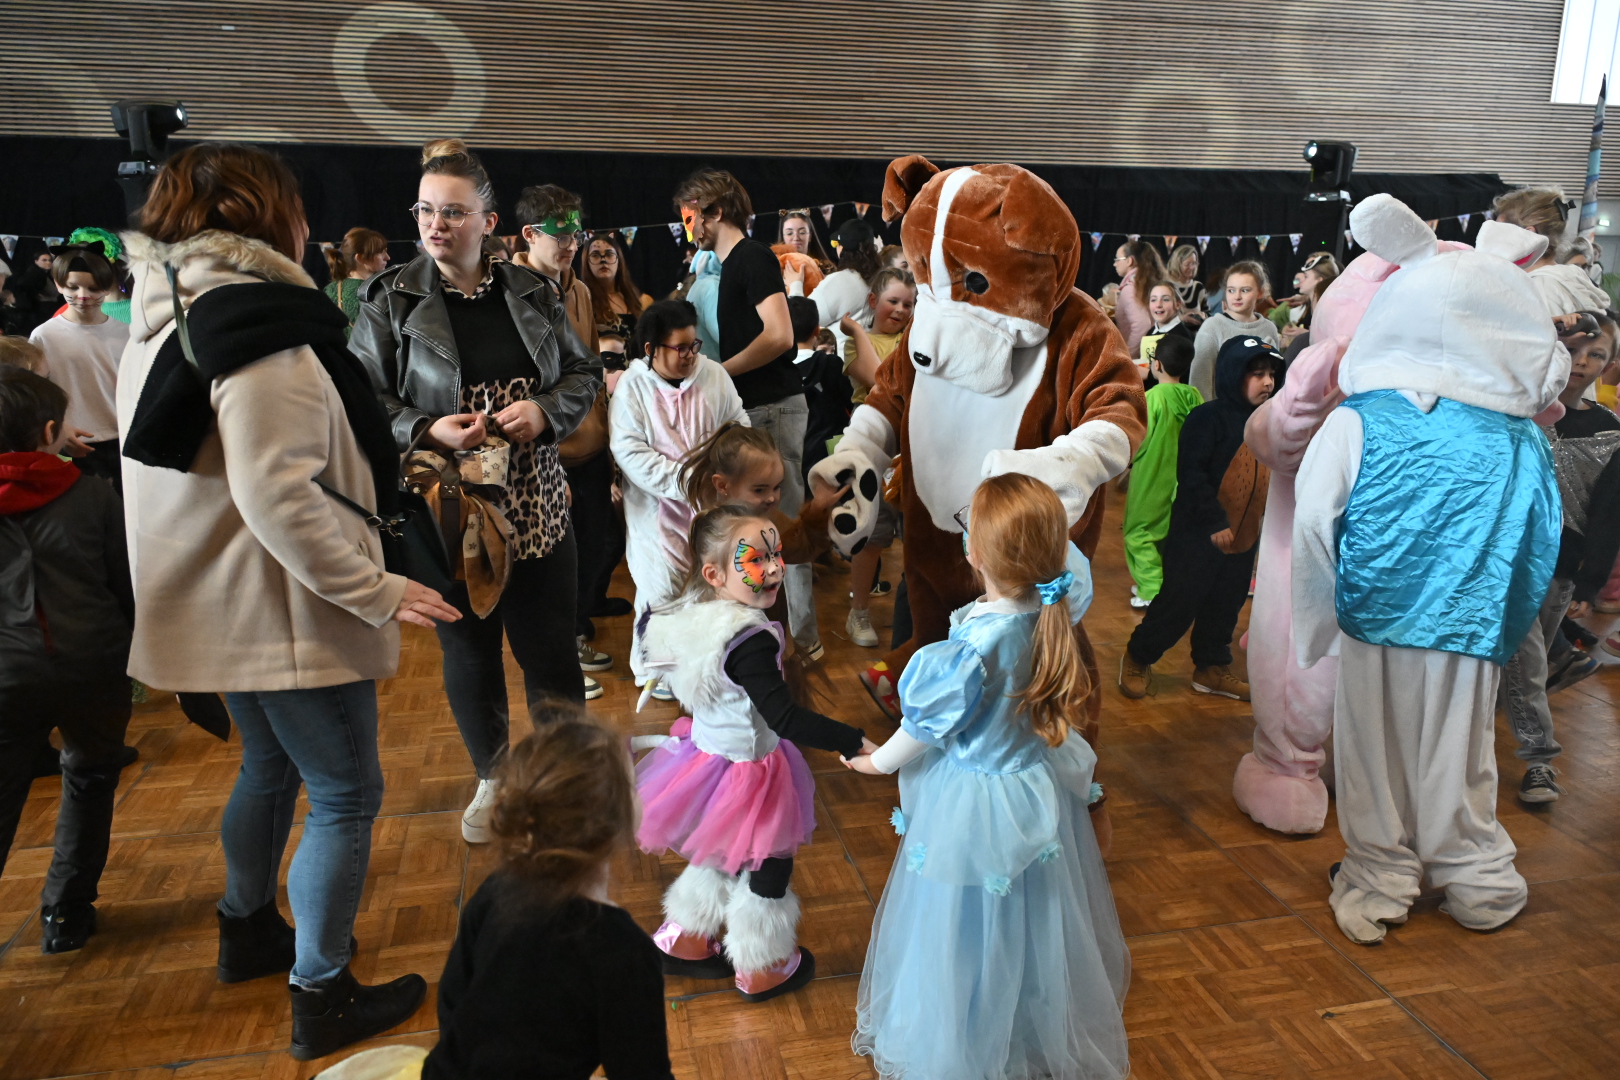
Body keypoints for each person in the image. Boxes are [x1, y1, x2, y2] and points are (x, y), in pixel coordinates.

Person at [118, 141, 461, 1058]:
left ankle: (248, 929)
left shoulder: (162, 310)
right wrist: (375, 586)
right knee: (346, 792)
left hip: (217, 597)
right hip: (282, 606)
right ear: (268, 216)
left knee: (267, 768)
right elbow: (279, 495)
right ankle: (322, 990)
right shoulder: (257, 324)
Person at [1293, 195, 1562, 946]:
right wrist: (1503, 622)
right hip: (1469, 627)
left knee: (1372, 753)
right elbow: (1537, 539)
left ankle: (1380, 873)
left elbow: (1314, 523)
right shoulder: (1517, 437)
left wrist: (1318, 622)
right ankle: (1476, 874)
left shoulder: (1356, 421)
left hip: (1374, 617)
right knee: (1460, 753)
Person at [351, 138, 601, 844]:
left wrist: (546, 411)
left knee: (551, 654)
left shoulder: (532, 290)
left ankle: (566, 782)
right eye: (426, 210)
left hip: (537, 500)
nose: (436, 224)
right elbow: (360, 398)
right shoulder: (388, 298)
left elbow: (582, 373)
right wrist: (424, 427)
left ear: (488, 222)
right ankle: (494, 778)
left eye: (454, 212)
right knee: (470, 652)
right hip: (449, 508)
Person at [844, 473, 1128, 1080]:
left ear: (975, 553)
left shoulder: (973, 647)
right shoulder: (1050, 609)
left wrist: (877, 762)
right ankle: (1021, 1017)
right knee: (1029, 913)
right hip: (1029, 785)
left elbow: (925, 727)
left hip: (975, 796)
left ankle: (964, 1037)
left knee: (960, 918)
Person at [322, 707, 674, 1080]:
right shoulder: (625, 951)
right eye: (632, 784)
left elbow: (452, 999)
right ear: (615, 822)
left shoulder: (497, 890)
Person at [635, 504, 875, 1001]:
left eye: (776, 554)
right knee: (769, 864)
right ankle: (762, 966)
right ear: (714, 574)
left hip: (707, 761)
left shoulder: (691, 616)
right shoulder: (749, 640)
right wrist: (852, 739)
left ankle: (685, 939)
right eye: (755, 559)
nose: (773, 569)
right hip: (750, 770)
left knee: (721, 846)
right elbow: (784, 717)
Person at [0, 368, 133, 955]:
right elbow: (125, 583)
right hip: (93, 665)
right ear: (50, 429)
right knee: (90, 778)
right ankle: (66, 909)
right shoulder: (91, 494)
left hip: (6, 676)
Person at [675, 168, 822, 659]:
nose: (689, 228)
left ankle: (802, 642)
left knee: (782, 529)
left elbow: (779, 335)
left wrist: (721, 373)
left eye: (691, 216)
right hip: (757, 407)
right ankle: (770, 634)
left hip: (773, 406)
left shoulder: (752, 256)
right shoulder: (729, 265)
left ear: (715, 211)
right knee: (754, 529)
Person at [1120, 336, 1281, 702]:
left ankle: (1211, 667)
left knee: (1226, 604)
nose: (1268, 382)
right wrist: (1214, 522)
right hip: (1197, 536)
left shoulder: (1269, 422)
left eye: (1271, 374)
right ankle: (1138, 656)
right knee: (1178, 604)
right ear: (1232, 374)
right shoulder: (1206, 418)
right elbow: (1191, 476)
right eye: (1257, 374)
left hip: (1243, 536)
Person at [1503, 312, 1619, 804]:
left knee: (1524, 663)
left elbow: (1609, 513)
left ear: (1609, 366)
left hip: (1558, 568)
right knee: (1526, 660)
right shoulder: (1517, 409)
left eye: (1597, 355)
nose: (1582, 362)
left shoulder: (1608, 430)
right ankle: (1540, 762)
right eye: (1573, 351)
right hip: (1500, 556)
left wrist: (1590, 582)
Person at [510, 185, 622, 690]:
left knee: (594, 550)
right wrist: (549, 458)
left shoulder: (578, 290)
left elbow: (588, 372)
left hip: (591, 448)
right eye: (561, 235)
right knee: (552, 565)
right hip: (544, 454)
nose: (572, 244)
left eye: (577, 234)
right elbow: (523, 387)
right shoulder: (509, 292)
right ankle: (562, 658)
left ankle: (574, 635)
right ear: (529, 234)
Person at [609, 299, 746, 691]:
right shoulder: (632, 387)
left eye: (694, 345)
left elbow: (738, 424)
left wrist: (726, 471)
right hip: (656, 510)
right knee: (660, 592)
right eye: (680, 348)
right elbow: (630, 452)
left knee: (708, 588)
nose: (690, 355)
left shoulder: (713, 375)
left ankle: (701, 667)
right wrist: (687, 481)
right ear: (651, 349)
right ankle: (655, 672)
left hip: (710, 507)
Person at [839, 267, 918, 647]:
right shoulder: (858, 343)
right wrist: (857, 330)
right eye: (893, 301)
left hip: (914, 445)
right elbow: (878, 377)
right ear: (873, 301)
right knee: (870, 533)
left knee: (915, 535)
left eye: (908, 304)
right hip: (874, 448)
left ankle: (917, 610)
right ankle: (859, 612)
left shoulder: (914, 340)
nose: (901, 310)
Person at [29, 244, 128, 489]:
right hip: (72, 440)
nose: (83, 296)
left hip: (124, 438)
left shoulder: (126, 332)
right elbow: (35, 393)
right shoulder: (45, 336)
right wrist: (60, 429)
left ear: (107, 286)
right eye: (73, 287)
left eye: (93, 288)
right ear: (59, 284)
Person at [1123, 335, 1203, 610]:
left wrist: (1127, 461)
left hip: (1152, 476)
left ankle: (1152, 588)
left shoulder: (1152, 398)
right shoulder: (1194, 395)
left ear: (1156, 364)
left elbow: (1139, 438)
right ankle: (1161, 584)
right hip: (1182, 479)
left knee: (1139, 532)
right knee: (1166, 533)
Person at [1494, 186, 1610, 316]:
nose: (1492, 236)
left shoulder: (1541, 288)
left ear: (1528, 234)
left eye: (1499, 229)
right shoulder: (1571, 275)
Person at [1190, 261, 1282, 400]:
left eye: (1245, 290)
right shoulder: (1212, 327)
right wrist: (1207, 412)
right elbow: (1200, 380)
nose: (1237, 296)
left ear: (1260, 292)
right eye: (1231, 290)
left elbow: (1275, 376)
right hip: (1221, 409)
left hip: (1261, 409)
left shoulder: (1269, 328)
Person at [788, 295, 852, 488]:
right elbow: (852, 402)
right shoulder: (832, 364)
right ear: (817, 330)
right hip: (833, 460)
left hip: (792, 462)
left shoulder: (775, 372)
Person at [582, 232, 649, 342]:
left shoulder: (634, 298)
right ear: (586, 262)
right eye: (595, 255)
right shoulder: (583, 299)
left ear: (619, 260)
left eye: (609, 254)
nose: (603, 260)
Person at [322, 227, 390, 333]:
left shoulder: (330, 289)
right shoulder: (379, 291)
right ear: (360, 258)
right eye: (381, 253)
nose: (387, 258)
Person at [1112, 239, 1167, 359]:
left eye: (1117, 259)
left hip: (1139, 359)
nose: (1114, 264)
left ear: (1129, 261)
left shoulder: (1130, 289)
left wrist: (1128, 356)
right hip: (1157, 354)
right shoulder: (1147, 282)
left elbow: (1142, 325)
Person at [1138, 280, 1196, 378]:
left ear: (1178, 304)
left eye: (1165, 300)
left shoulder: (1182, 337)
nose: (1158, 304)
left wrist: (1148, 375)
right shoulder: (1151, 332)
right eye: (1153, 300)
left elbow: (1182, 376)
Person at [1166, 243, 1207, 325]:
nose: (1192, 267)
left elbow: (1208, 312)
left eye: (1194, 263)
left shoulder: (1198, 287)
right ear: (1177, 265)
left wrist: (1203, 315)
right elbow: (1159, 316)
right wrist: (1181, 319)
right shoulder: (1166, 286)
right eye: (1187, 264)